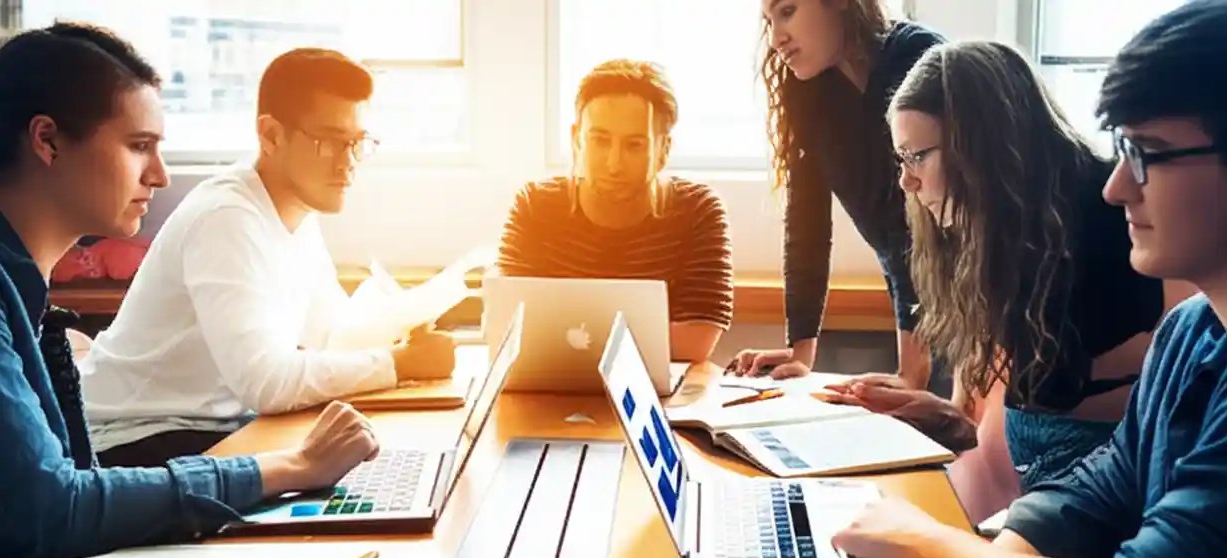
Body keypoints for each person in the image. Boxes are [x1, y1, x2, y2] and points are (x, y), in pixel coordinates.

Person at [833, 2, 1227, 558]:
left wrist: (932, 546)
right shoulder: (1191, 331)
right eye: (1120, 150)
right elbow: (1092, 495)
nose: (1115, 186)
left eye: (1147, 154)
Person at [0, 22, 379, 558]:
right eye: (139, 147)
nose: (160, 175)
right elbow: (54, 513)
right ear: (48, 141)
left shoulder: (25, 292)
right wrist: (288, 467)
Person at [823, 41, 1191, 487]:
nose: (907, 181)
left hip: (1104, 485)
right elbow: (982, 424)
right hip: (1036, 484)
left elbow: (1135, 423)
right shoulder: (991, 238)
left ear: (979, 148)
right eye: (901, 159)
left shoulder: (1114, 226)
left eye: (917, 156)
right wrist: (933, 414)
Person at [79, 48, 455, 467]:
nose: (347, 162)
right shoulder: (227, 217)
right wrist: (398, 364)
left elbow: (328, 336)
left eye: (356, 143)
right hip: (136, 440)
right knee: (337, 473)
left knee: (369, 457)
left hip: (212, 426)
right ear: (271, 135)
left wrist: (403, 334)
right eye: (330, 142)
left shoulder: (296, 212)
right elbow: (267, 384)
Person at [729, 0, 945, 386]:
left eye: (788, 11)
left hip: (990, 304)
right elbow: (807, 223)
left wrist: (914, 372)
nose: (776, 38)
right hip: (926, 306)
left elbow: (925, 231)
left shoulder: (921, 61)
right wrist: (801, 352)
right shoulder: (810, 90)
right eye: (769, 21)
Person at [496, 59, 733, 363]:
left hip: (656, 388)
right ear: (576, 139)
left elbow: (695, 340)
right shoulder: (535, 205)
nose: (614, 164)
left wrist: (570, 336)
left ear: (663, 150)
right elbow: (507, 325)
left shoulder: (698, 211)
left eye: (634, 145)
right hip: (548, 382)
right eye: (600, 141)